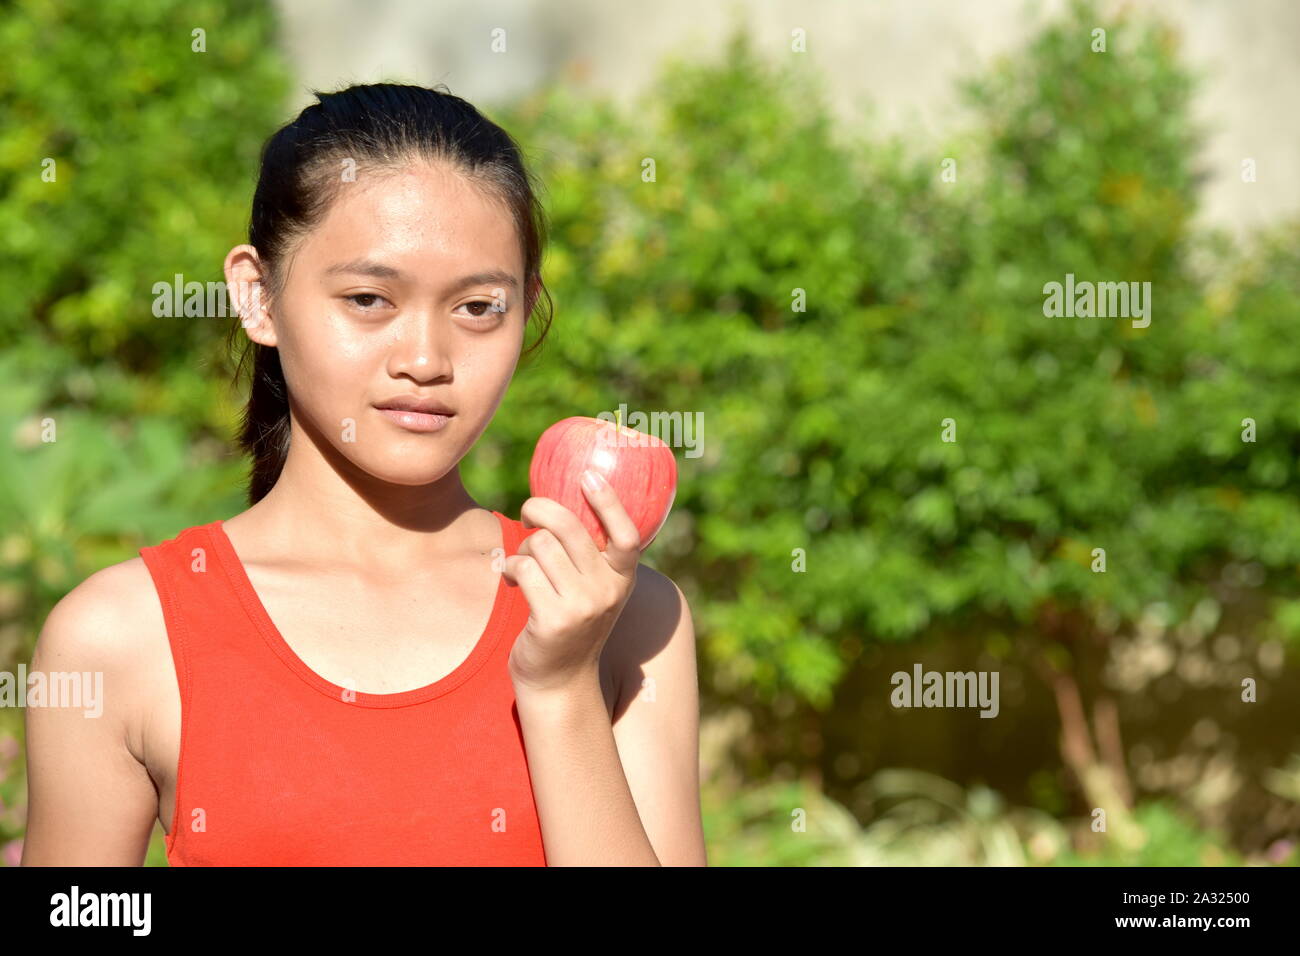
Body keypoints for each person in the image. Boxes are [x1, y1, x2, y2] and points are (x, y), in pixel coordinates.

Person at [21, 83, 705, 866]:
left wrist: (560, 688)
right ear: (257, 295)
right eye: (369, 298)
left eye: (479, 308)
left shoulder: (622, 616)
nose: (425, 361)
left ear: (527, 312)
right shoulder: (120, 636)